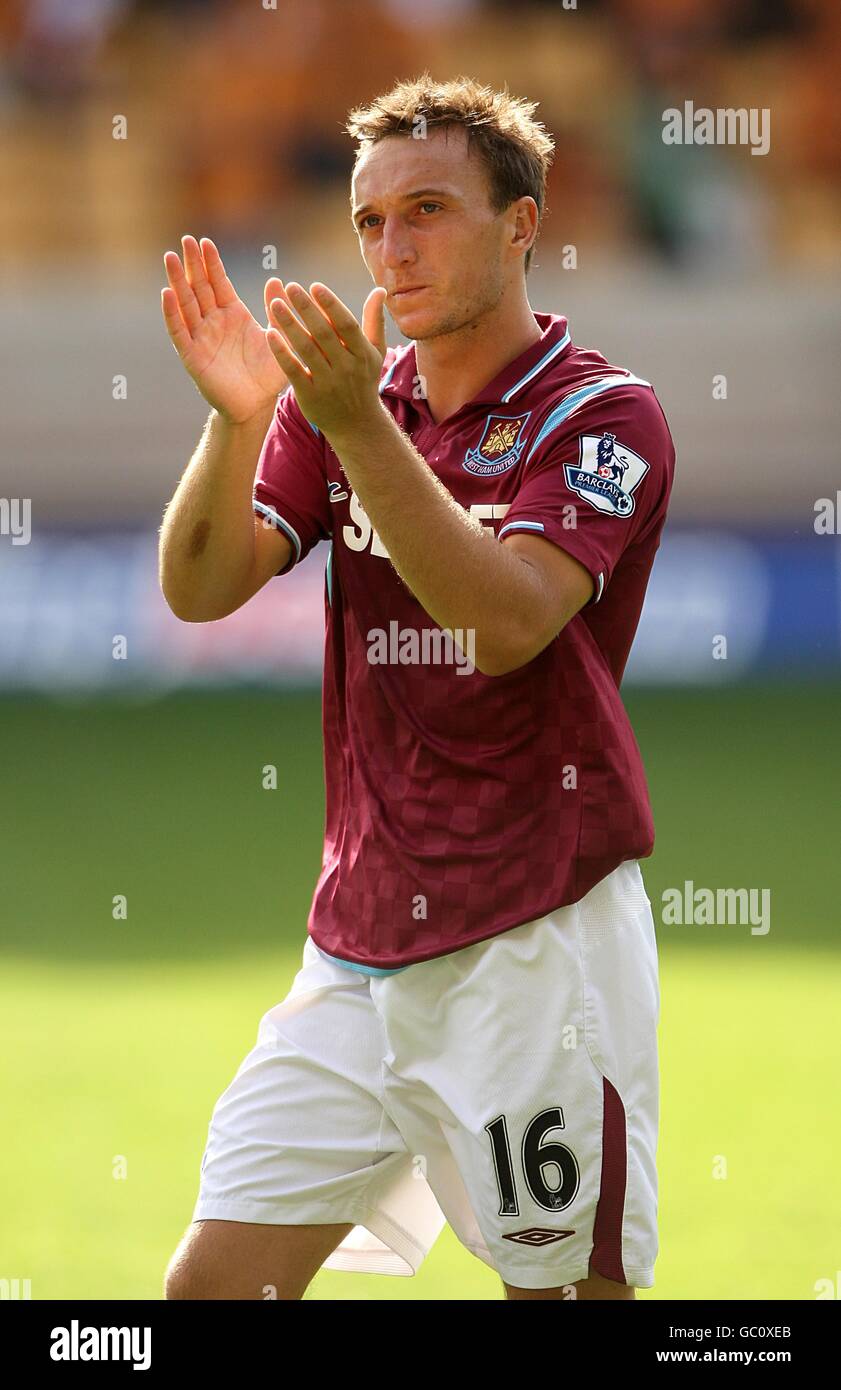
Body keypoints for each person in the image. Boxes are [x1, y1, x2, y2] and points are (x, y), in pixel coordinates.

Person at [159, 74, 675, 1302]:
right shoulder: (346, 402)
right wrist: (241, 426)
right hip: (358, 943)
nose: (394, 249)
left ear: (522, 224)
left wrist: (350, 425)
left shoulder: (604, 417)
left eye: (430, 209)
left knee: (561, 1298)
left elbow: (504, 625)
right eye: (373, 222)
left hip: (533, 943)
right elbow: (199, 590)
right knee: (208, 1294)